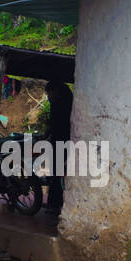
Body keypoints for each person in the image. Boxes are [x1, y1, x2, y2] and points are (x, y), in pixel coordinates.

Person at [43, 81, 73, 215]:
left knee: (56, 174)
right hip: (64, 142)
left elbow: (53, 125)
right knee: (58, 174)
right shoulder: (67, 103)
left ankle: (55, 204)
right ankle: (56, 202)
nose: (48, 96)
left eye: (49, 93)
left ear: (55, 91)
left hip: (60, 143)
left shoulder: (58, 105)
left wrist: (46, 136)